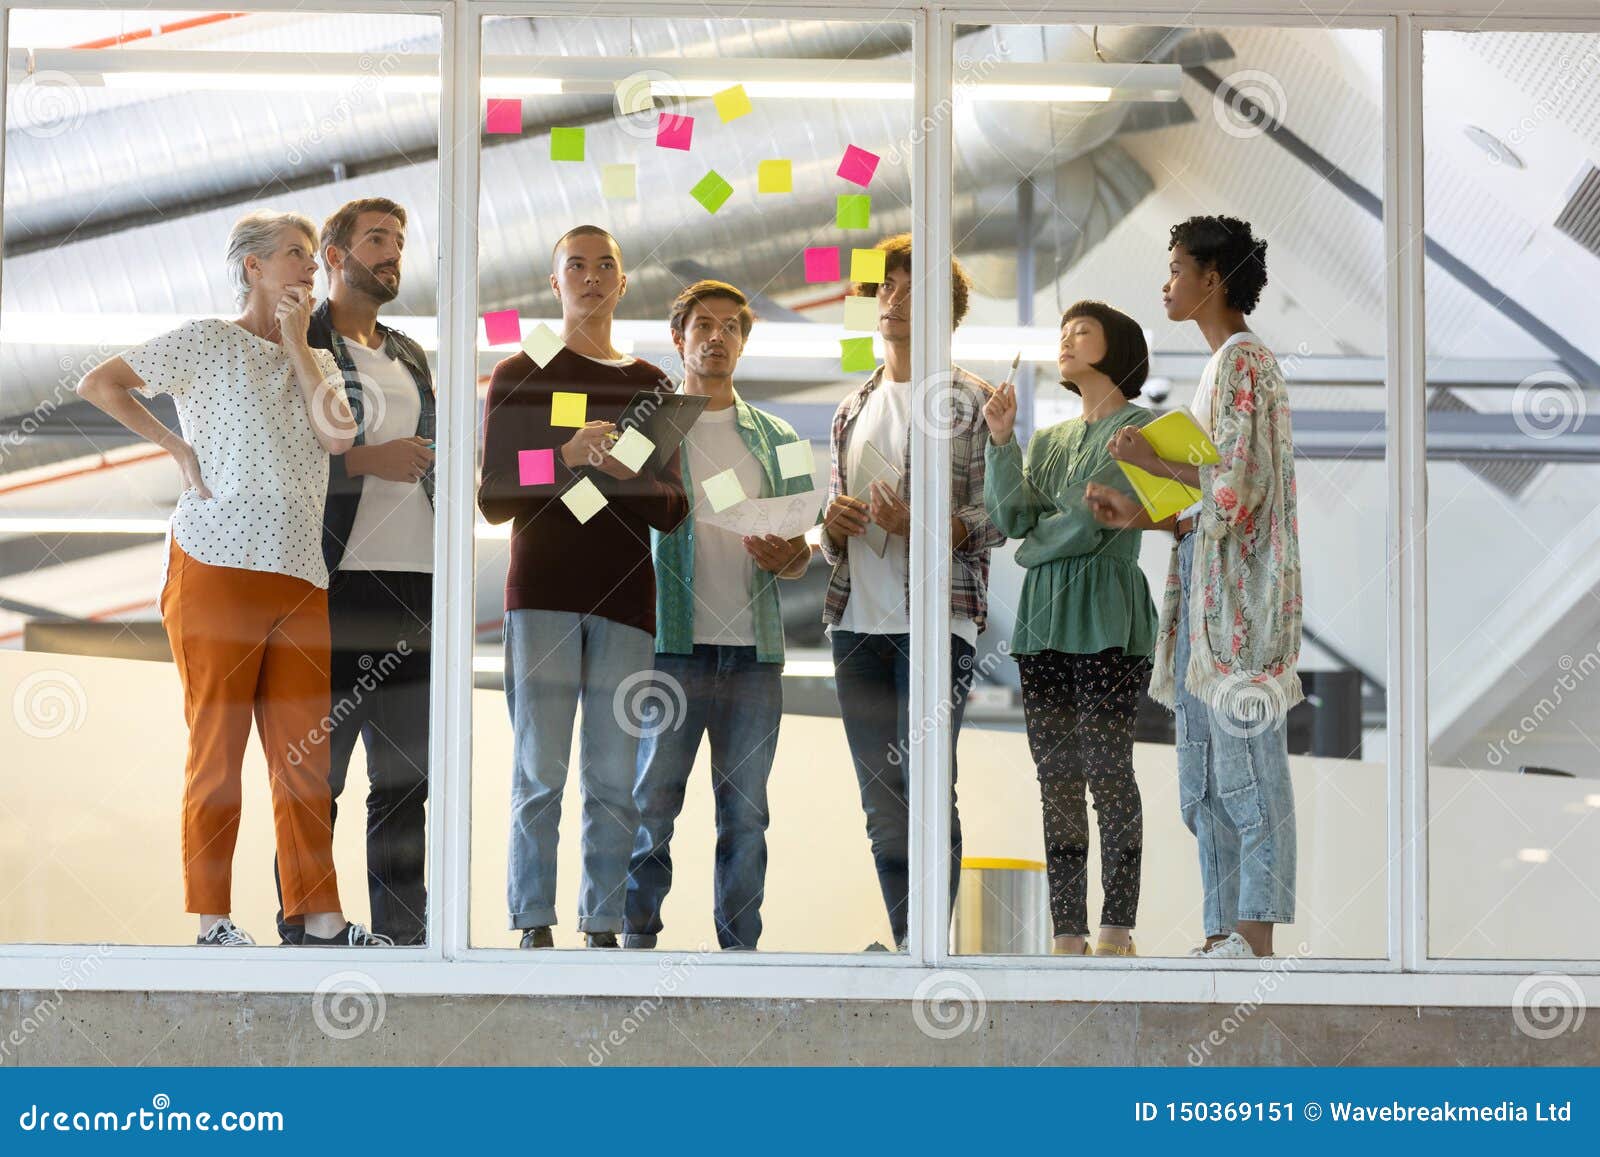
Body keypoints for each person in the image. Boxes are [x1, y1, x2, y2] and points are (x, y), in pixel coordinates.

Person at [77, 209, 390, 947]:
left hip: (299, 576)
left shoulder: (313, 355)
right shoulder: (205, 340)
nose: (310, 270)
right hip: (215, 566)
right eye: (294, 255)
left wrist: (293, 341)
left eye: (313, 259)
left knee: (305, 761)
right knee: (217, 749)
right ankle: (213, 918)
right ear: (252, 267)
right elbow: (102, 383)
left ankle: (321, 917)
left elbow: (340, 436)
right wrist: (177, 448)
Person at [1085, 216, 1302, 960]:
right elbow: (1207, 508)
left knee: (1245, 771)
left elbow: (1235, 491)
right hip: (1205, 607)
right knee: (1202, 781)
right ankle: (1223, 933)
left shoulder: (1244, 362)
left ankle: (1254, 935)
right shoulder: (1220, 369)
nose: (1167, 282)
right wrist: (1139, 511)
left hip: (1241, 612)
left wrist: (1156, 456)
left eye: (1177, 267)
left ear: (1213, 278)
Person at [479, 226, 688, 949]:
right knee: (539, 771)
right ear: (554, 280)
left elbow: (674, 506)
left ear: (623, 284)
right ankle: (533, 921)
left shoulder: (652, 387)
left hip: (627, 601)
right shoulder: (519, 373)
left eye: (607, 266)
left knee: (611, 777)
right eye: (577, 264)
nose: (592, 277)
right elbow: (494, 495)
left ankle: (602, 926)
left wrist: (632, 475)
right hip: (541, 592)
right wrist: (564, 456)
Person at [820, 233, 1003, 951]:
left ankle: (929, 943)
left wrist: (924, 525)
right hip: (855, 624)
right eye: (885, 288)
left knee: (929, 788)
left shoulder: (974, 402)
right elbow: (831, 528)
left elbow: (1001, 519)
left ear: (946, 311)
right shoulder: (850, 409)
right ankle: (907, 943)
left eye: (911, 288)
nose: (893, 300)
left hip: (937, 623)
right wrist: (832, 527)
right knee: (881, 803)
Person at [623, 280, 815, 952]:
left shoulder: (783, 437)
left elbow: (801, 550)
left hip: (753, 654)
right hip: (668, 648)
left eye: (731, 327)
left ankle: (741, 955)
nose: (717, 337)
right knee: (650, 806)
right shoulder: (647, 429)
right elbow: (608, 513)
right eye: (703, 325)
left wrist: (786, 553)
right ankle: (633, 942)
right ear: (679, 339)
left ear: (743, 341)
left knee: (746, 816)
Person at [273, 197, 436, 946]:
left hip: (416, 583)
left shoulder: (409, 354)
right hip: (333, 584)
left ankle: (403, 935)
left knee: (406, 781)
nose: (391, 253)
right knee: (318, 778)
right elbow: (276, 454)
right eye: (376, 240)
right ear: (333, 257)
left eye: (398, 241)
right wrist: (367, 459)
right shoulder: (297, 341)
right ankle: (305, 924)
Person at [982, 302, 1157, 957]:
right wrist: (1003, 441)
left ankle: (1117, 923)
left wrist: (1034, 543)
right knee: (1055, 776)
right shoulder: (1052, 440)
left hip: (1108, 614)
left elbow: (1087, 525)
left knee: (1110, 771)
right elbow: (1013, 515)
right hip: (1042, 621)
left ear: (1118, 345)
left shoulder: (1140, 430)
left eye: (1080, 332)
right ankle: (1067, 929)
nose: (1065, 341)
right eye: (1062, 333)